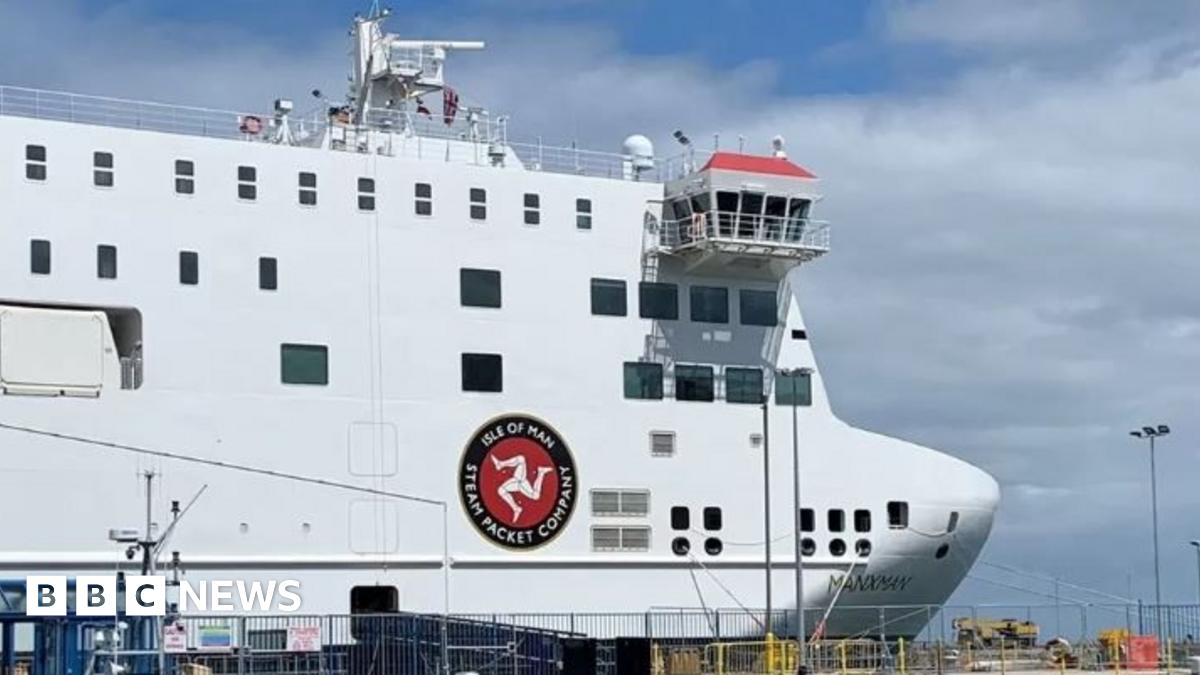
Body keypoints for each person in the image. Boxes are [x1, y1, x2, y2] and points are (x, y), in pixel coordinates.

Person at [491, 453, 553, 524]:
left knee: (521, 460)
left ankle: (501, 464)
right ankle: (516, 508)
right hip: (519, 482)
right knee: (501, 490)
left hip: (519, 481)